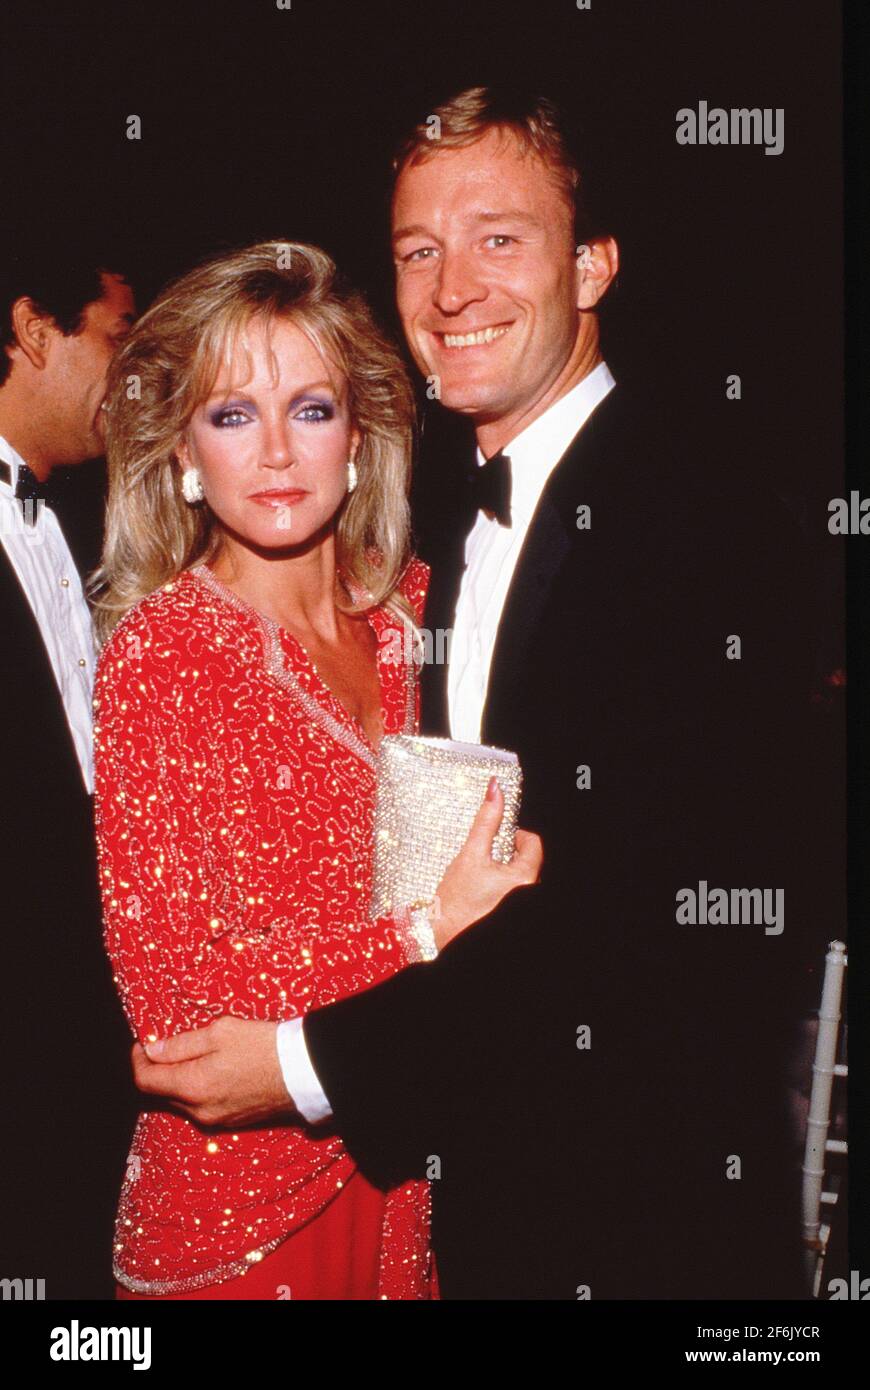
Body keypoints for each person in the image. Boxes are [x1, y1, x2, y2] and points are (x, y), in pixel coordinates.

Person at [133, 88, 816, 1299]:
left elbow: (625, 924)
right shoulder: (422, 547)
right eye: (418, 251)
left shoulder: (703, 519)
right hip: (464, 1210)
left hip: (641, 1215)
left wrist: (297, 1064)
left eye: (499, 238)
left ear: (593, 265)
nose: (452, 291)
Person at [91, 239, 541, 1300]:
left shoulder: (414, 616)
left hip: (407, 1171)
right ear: (185, 449)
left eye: (311, 408)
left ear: (359, 436)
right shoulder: (161, 656)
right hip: (234, 1217)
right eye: (232, 415)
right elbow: (176, 1004)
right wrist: (428, 931)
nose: (277, 453)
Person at [0, 234, 137, 1299]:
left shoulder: (79, 515)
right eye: (117, 338)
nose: (130, 376)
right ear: (34, 331)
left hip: (78, 1017)